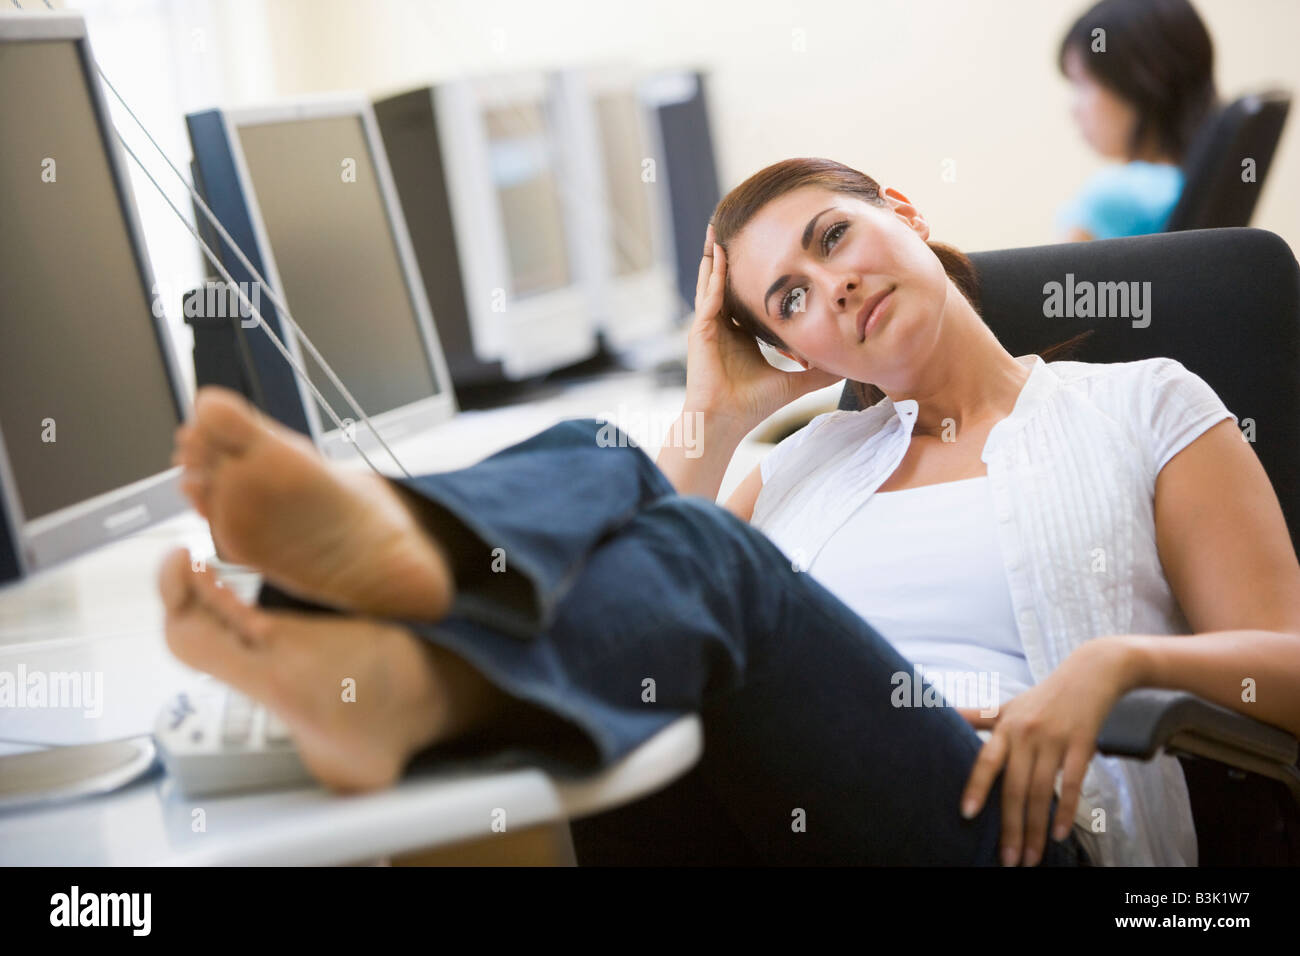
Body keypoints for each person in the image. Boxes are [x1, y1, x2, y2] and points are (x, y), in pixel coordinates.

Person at [159, 157, 1300, 867]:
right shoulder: (808, 457)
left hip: (1023, 827)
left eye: (831, 236)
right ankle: (407, 671)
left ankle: (418, 585)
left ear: (898, 212)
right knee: (621, 487)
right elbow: (639, 578)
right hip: (758, 812)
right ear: (795, 348)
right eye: (789, 300)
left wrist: (1116, 660)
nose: (831, 285)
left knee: (703, 555)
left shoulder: (1137, 402)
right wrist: (710, 403)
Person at [1055, 0, 1219, 240]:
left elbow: (1060, 279)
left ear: (1143, 80)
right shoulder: (1198, 184)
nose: (1074, 109)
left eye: (1083, 83)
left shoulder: (1116, 197)